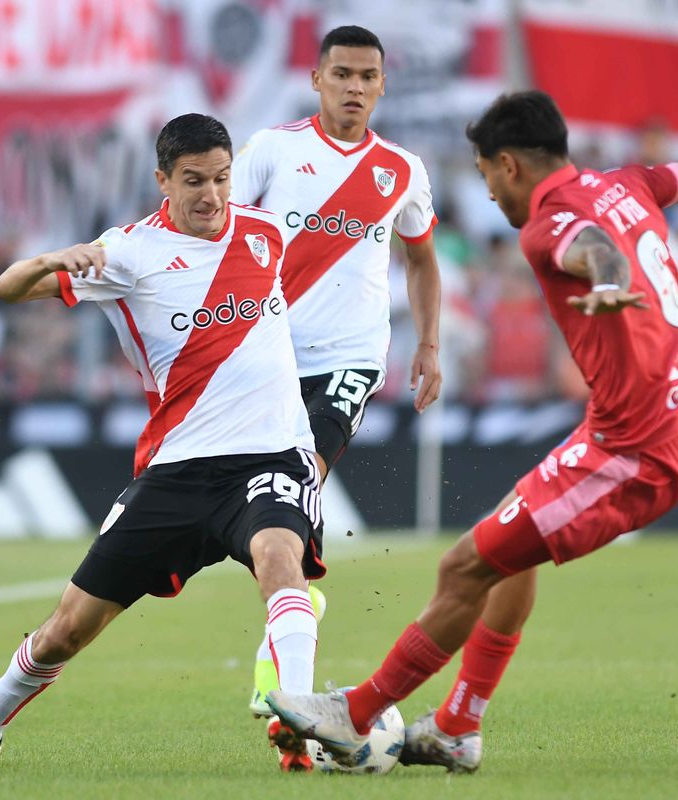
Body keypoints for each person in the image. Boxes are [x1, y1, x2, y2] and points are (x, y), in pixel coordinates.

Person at [266, 91, 678, 773]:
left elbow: (595, 249)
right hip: (663, 418)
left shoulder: (547, 225)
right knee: (503, 552)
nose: (488, 190)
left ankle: (357, 714)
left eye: (486, 172)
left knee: (463, 565)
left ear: (510, 165)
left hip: (636, 448)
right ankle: (456, 726)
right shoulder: (623, 184)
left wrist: (610, 278)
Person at [0, 114, 325, 772]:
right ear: (163, 181)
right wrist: (53, 259)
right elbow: (6, 290)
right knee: (67, 629)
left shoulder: (263, 233)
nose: (212, 195)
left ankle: (302, 723)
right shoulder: (128, 253)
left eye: (223, 179)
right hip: (176, 472)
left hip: (268, 457)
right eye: (194, 181)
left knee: (278, 558)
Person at [230, 23, 444, 720]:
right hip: (268, 353)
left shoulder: (403, 169)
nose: (355, 87)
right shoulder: (272, 150)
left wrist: (429, 345)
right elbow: (223, 238)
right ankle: (300, 598)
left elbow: (422, 260)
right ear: (317, 79)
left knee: (300, 475)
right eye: (342, 74)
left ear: (383, 85)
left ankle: (280, 668)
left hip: (351, 358)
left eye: (367, 77)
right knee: (268, 498)